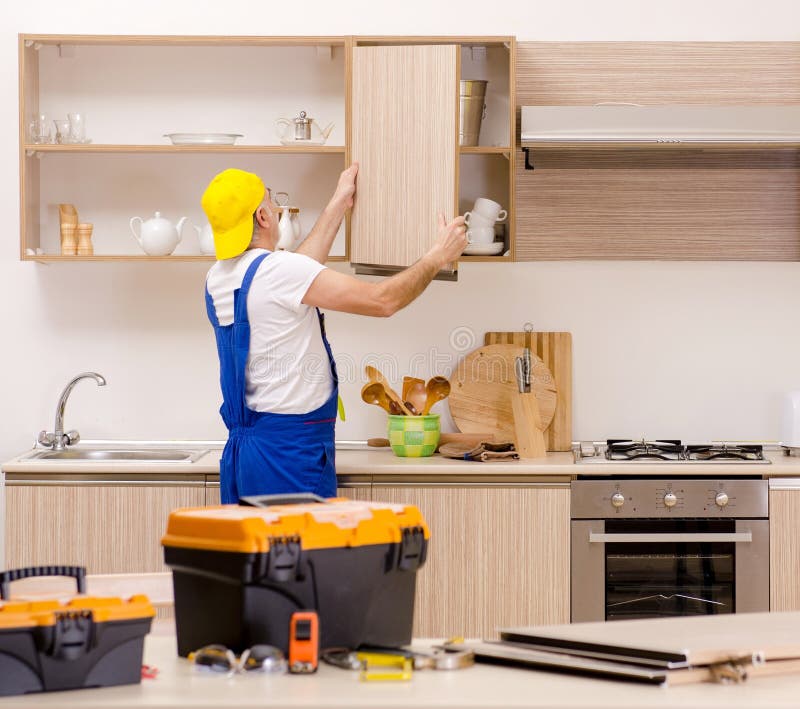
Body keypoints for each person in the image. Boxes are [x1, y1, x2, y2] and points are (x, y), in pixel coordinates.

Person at [202, 164, 467, 503]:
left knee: (256, 554)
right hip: (291, 453)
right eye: (272, 203)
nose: (277, 209)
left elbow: (295, 276)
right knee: (298, 555)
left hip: (246, 456)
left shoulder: (219, 277)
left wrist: (339, 203)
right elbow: (382, 301)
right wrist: (438, 256)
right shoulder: (279, 272)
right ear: (264, 217)